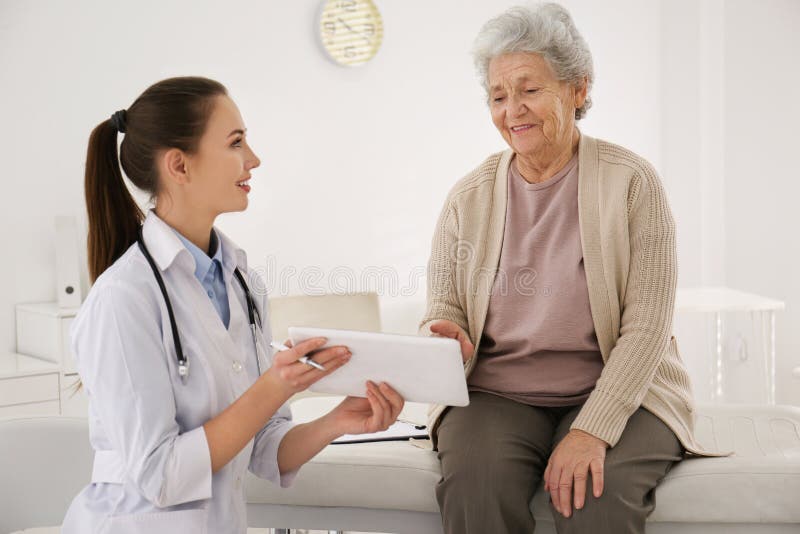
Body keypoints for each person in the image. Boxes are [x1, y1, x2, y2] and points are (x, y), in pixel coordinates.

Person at [419, 4, 727, 533]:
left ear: (578, 89)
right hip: (498, 393)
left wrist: (592, 429)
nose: (512, 110)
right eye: (498, 96)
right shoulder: (467, 197)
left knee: (593, 497)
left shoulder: (632, 183)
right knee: (476, 487)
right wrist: (443, 334)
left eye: (529, 90)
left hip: (623, 389)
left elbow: (647, 327)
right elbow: (443, 308)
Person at [61, 76, 404, 533]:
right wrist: (275, 386)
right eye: (236, 142)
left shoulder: (242, 282)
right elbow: (159, 476)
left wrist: (337, 420)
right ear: (179, 166)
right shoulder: (123, 298)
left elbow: (264, 446)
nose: (253, 159)